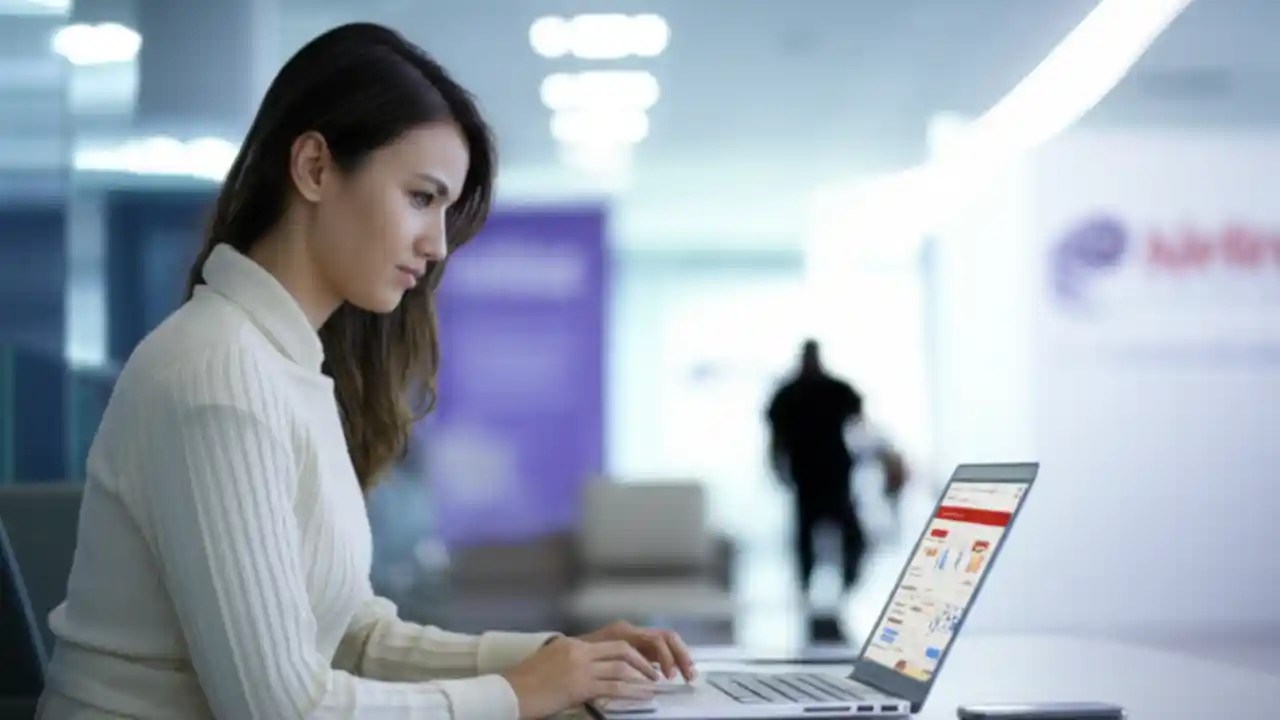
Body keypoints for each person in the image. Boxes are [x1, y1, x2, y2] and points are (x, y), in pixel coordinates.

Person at [38, 24, 693, 720]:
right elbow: (284, 710)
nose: (437, 244)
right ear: (315, 168)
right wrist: (521, 693)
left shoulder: (285, 365)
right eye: (420, 197)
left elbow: (353, 635)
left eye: (444, 210)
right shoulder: (222, 375)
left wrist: (558, 658)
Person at [766, 340, 867, 602]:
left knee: (851, 535)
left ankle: (848, 584)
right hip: (806, 476)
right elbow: (775, 438)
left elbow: (859, 419)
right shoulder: (788, 394)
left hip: (835, 474)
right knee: (805, 540)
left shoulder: (835, 389)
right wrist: (777, 467)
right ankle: (806, 589)